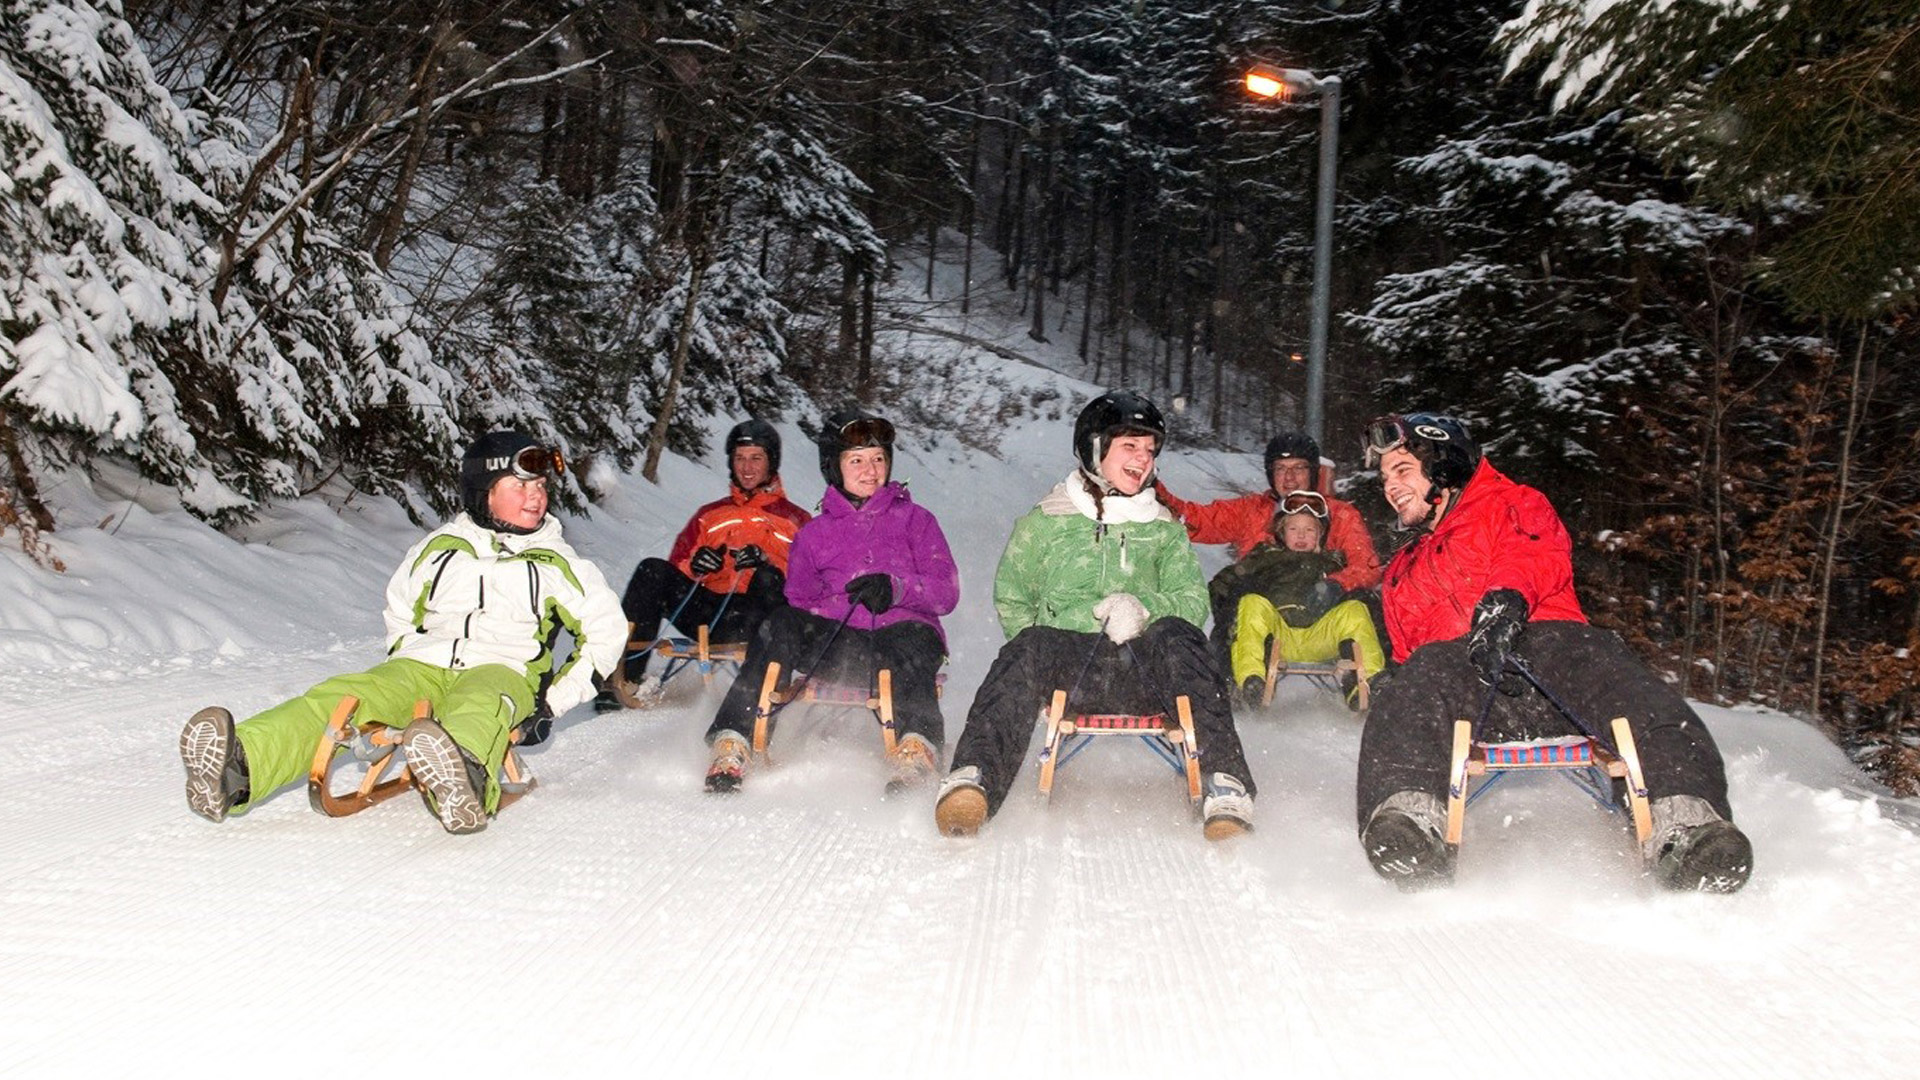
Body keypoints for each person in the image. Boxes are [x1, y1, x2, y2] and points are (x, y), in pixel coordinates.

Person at [1354, 412, 1753, 892]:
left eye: (1402, 471)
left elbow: (1534, 553)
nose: (1390, 487)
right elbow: (1409, 656)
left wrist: (1507, 601)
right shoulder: (1401, 569)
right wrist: (1395, 680)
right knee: (1414, 680)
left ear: (1443, 466)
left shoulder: (1510, 502)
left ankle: (1688, 828)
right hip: (1464, 680)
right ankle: (1410, 827)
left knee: (1619, 674)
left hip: (1548, 651)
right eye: (1383, 478)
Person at [177, 431, 629, 835]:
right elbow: (400, 606)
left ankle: (464, 782)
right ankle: (238, 769)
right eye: (521, 486)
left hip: (502, 670)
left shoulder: (559, 563)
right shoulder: (439, 549)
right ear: (483, 492)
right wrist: (406, 656)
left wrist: (552, 701)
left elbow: (605, 633)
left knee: (479, 705)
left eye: (540, 486)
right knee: (343, 695)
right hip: (422, 666)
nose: (537, 497)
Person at [935, 390, 1257, 841]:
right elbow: (1012, 594)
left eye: (1149, 450)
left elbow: (1191, 601)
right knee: (1025, 647)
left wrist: (1145, 611)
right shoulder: (1047, 521)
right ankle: (975, 776)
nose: (1143, 459)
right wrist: (1051, 641)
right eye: (1130, 446)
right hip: (1073, 670)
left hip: (1146, 671)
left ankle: (1225, 785)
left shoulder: (1163, 527)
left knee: (1183, 639)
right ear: (1095, 448)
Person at [702, 409, 959, 794]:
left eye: (878, 459)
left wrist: (896, 589)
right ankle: (733, 740)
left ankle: (917, 748)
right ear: (834, 468)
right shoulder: (814, 534)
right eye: (856, 460)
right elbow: (799, 598)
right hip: (841, 646)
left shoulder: (917, 521)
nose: (870, 470)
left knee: (914, 639)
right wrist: (837, 606)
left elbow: (946, 592)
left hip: (902, 639)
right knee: (781, 622)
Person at [595, 419, 811, 711]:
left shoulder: (795, 520)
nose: (747, 467)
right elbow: (678, 565)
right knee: (652, 570)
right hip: (708, 614)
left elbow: (808, 584)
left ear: (771, 462)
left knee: (767, 577)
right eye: (740, 458)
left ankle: (770, 682)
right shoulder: (710, 515)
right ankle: (625, 677)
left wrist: (767, 562)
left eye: (756, 458)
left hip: (759, 617)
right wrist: (696, 566)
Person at [1211, 490, 1387, 709]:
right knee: (1251, 603)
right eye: (1293, 529)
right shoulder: (1265, 558)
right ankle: (1251, 681)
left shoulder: (1332, 563)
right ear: (1282, 532)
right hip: (1278, 633)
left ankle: (1367, 682)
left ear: (1320, 535)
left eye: (1309, 530)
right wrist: (1229, 608)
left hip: (1321, 634)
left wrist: (1336, 585)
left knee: (1356, 609)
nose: (1301, 536)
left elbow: (1364, 575)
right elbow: (1223, 582)